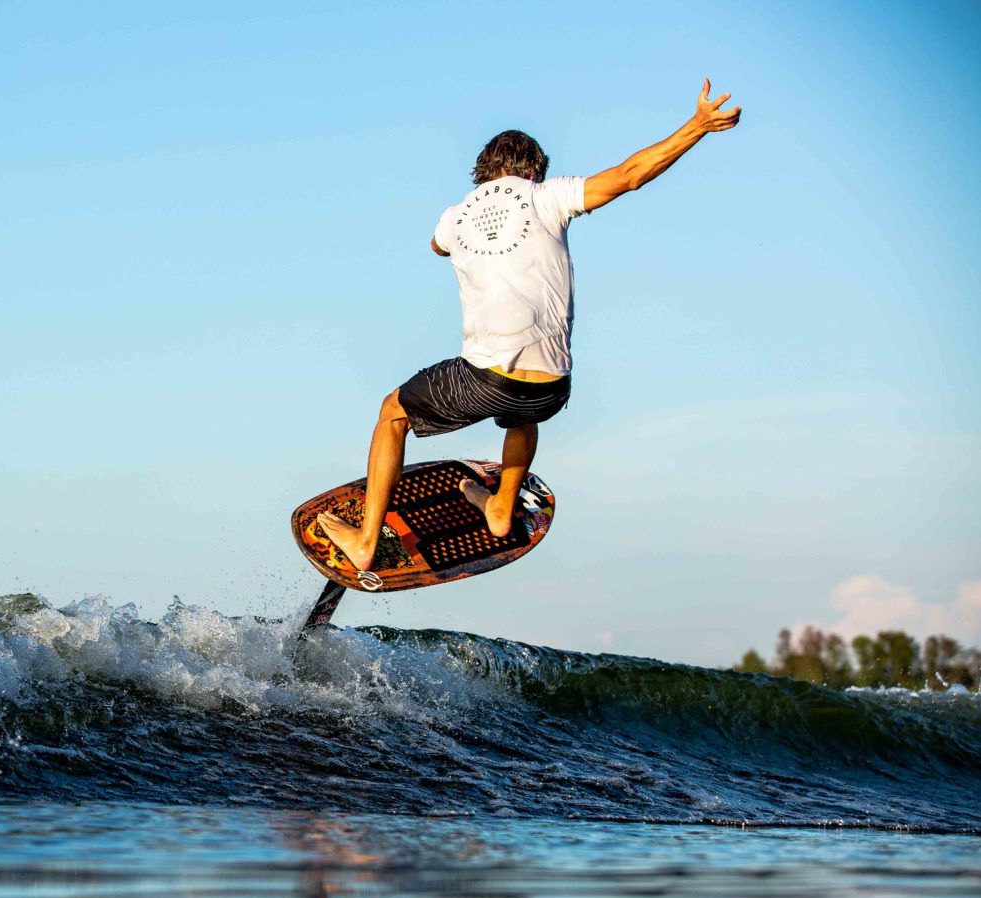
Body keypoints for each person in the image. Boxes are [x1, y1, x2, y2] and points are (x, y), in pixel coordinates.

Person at [318, 79, 742, 570]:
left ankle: (365, 542)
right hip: (552, 389)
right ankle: (501, 506)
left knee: (392, 413)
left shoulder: (454, 217)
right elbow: (628, 176)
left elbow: (436, 246)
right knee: (523, 407)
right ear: (535, 170)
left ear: (483, 171)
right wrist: (697, 126)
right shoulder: (548, 197)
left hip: (484, 380)